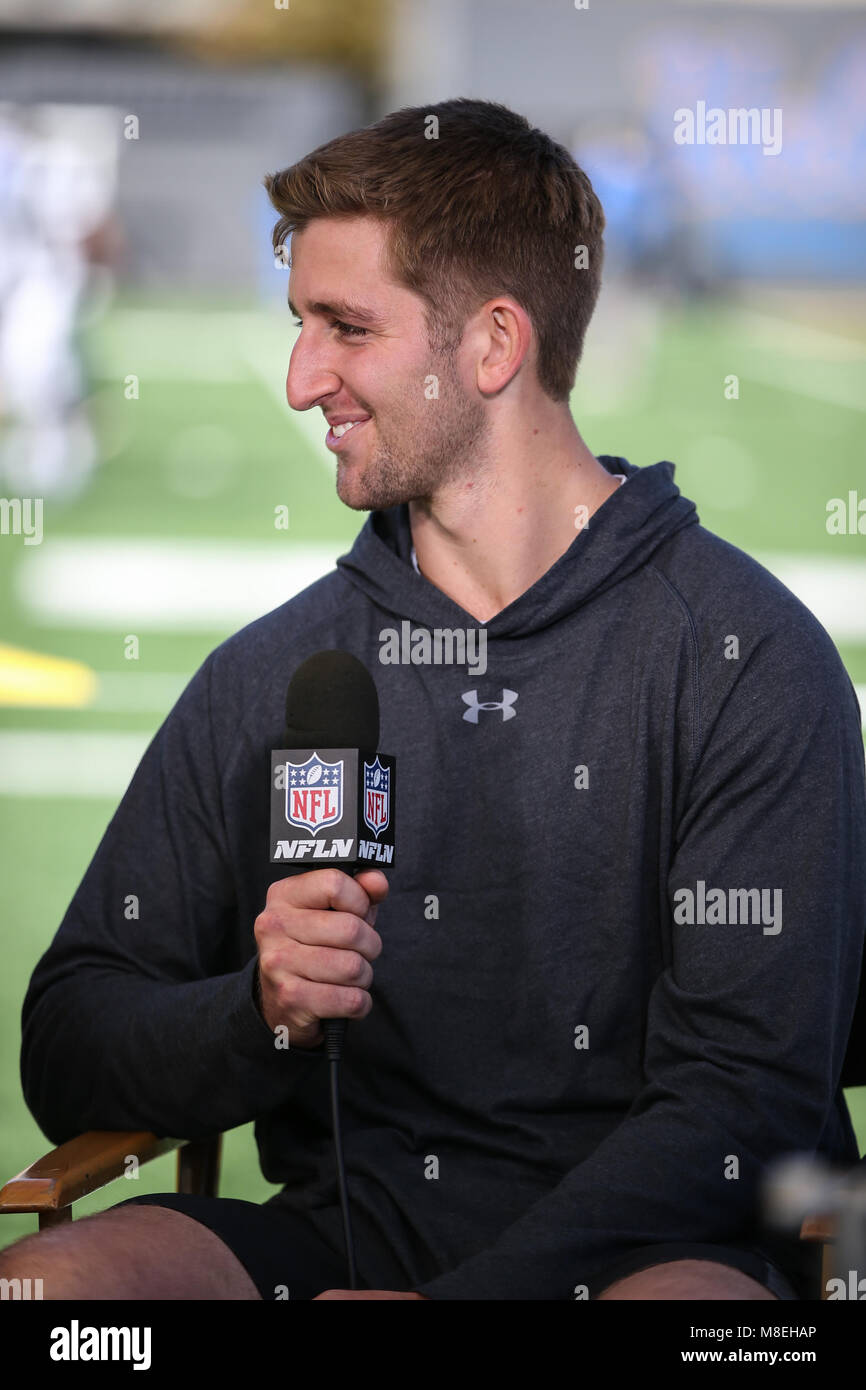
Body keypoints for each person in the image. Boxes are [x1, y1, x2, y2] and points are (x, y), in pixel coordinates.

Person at [4, 98, 864, 1302]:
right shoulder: (280, 670)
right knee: (48, 1297)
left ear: (493, 345)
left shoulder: (746, 657)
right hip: (340, 1247)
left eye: (345, 327)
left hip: (658, 1261)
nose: (303, 381)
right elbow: (71, 1039)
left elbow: (746, 1107)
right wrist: (259, 1010)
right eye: (299, 325)